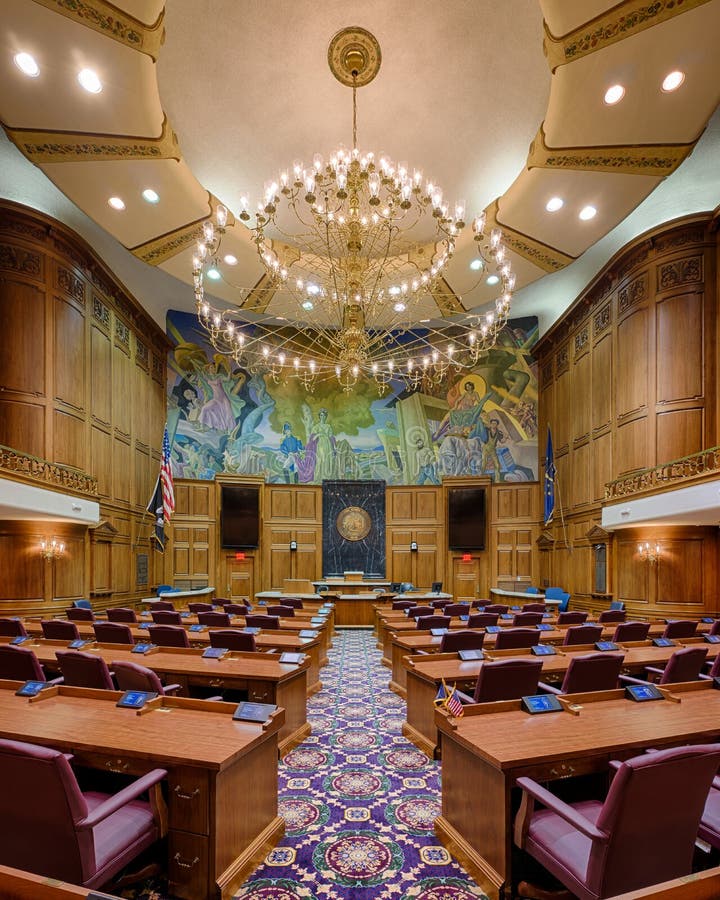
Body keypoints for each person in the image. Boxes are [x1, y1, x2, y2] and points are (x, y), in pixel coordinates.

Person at [481, 416, 505, 481]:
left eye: (495, 424)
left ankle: (497, 481)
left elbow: (502, 441)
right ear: (490, 424)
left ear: (497, 425)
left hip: (492, 450)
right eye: (492, 423)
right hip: (485, 448)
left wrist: (506, 438)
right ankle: (481, 477)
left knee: (497, 465)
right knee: (483, 463)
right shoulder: (486, 430)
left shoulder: (499, 433)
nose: (493, 425)